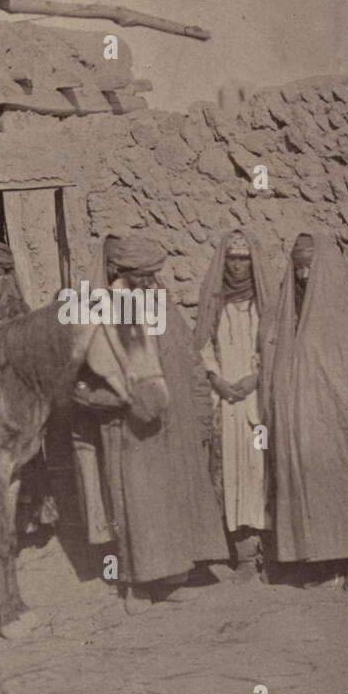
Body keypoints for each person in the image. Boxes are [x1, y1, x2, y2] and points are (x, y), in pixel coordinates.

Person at [71, 233, 229, 613]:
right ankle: (135, 586)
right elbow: (77, 376)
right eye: (140, 275)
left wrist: (198, 409)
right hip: (127, 429)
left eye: (151, 274)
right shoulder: (99, 308)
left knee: (170, 501)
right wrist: (108, 400)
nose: (147, 281)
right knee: (135, 506)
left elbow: (187, 354)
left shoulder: (161, 302)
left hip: (171, 423)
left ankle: (172, 577)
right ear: (118, 270)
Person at [264, 232, 348, 588]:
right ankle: (323, 560)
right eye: (298, 268)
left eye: (310, 267)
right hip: (307, 420)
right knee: (316, 487)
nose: (304, 276)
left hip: (346, 416)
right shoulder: (289, 305)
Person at [194, 229, 276, 581]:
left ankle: (263, 552)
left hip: (257, 399)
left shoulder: (266, 302)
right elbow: (202, 345)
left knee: (259, 470)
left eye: (244, 258)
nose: (239, 266)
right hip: (224, 398)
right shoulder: (214, 301)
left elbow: (272, 344)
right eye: (232, 258)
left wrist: (255, 380)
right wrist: (217, 379)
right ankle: (239, 552)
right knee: (228, 472)